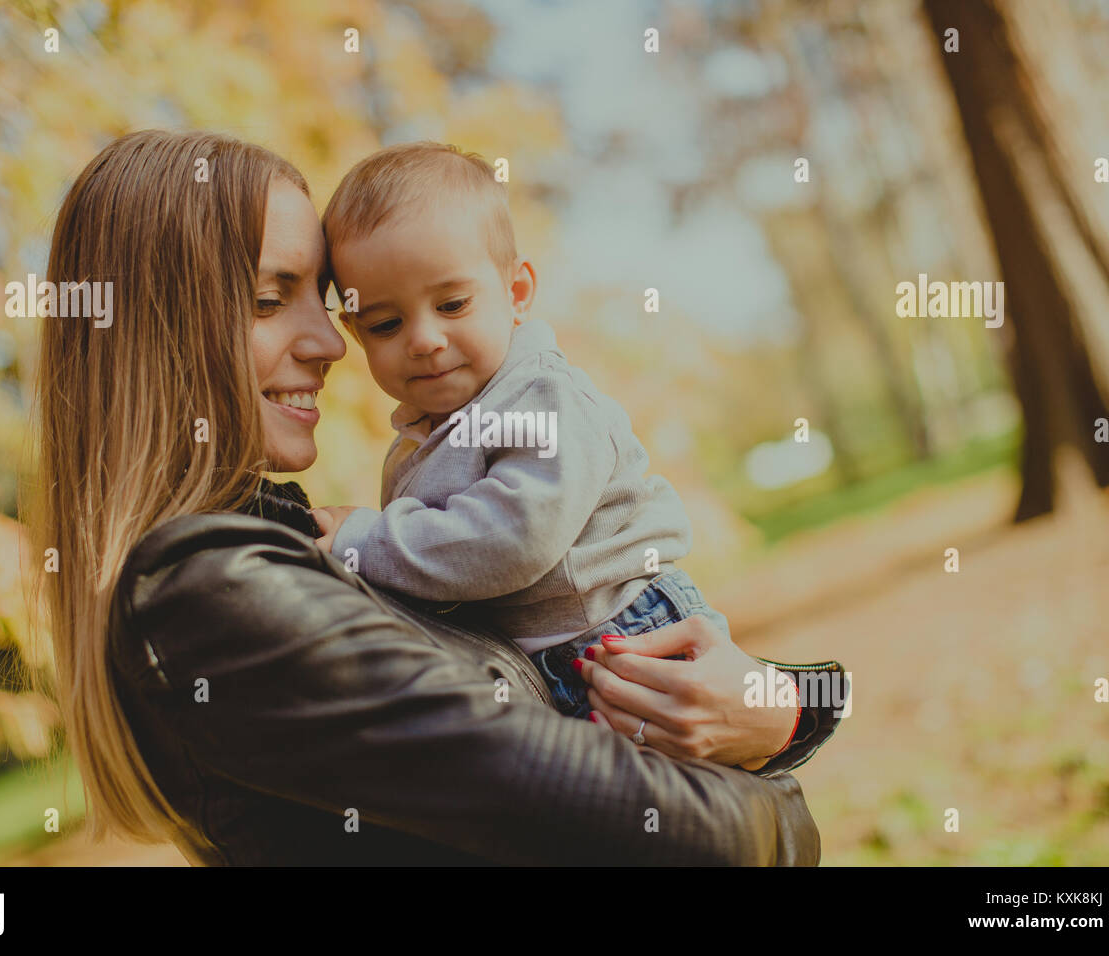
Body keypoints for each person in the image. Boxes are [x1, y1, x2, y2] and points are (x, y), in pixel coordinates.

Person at [26, 128, 825, 865]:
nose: (331, 343)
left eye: (323, 298)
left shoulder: (282, 540)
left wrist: (794, 706)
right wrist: (781, 790)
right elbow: (674, 836)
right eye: (270, 299)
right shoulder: (206, 592)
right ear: (154, 332)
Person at [311, 141, 842, 762]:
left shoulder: (540, 397)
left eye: (452, 304)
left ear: (517, 291)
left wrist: (365, 543)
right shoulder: (430, 435)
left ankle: (811, 711)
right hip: (555, 659)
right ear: (353, 331)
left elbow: (513, 538)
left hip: (627, 634)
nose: (424, 339)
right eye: (384, 325)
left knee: (680, 807)